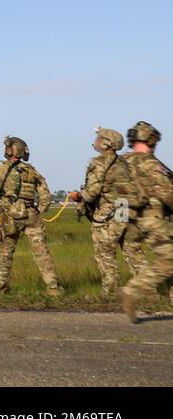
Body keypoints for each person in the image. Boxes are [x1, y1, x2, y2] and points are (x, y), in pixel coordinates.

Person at [68, 127, 146, 296]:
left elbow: (92, 192)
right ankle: (148, 291)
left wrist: (78, 196)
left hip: (108, 213)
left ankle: (111, 292)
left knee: (105, 252)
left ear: (107, 143)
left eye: (99, 138)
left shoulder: (99, 162)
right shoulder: (124, 163)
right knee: (132, 251)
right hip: (126, 211)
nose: (95, 142)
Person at [0, 136, 60, 296]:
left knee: (5, 252)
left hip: (8, 217)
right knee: (41, 253)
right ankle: (53, 288)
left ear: (9, 151)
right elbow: (45, 195)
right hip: (32, 216)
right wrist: (39, 210)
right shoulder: (31, 171)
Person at [119, 122, 173, 323]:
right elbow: (167, 194)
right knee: (169, 260)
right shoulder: (149, 164)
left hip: (132, 217)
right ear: (151, 139)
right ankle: (132, 291)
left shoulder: (123, 161)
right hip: (155, 219)